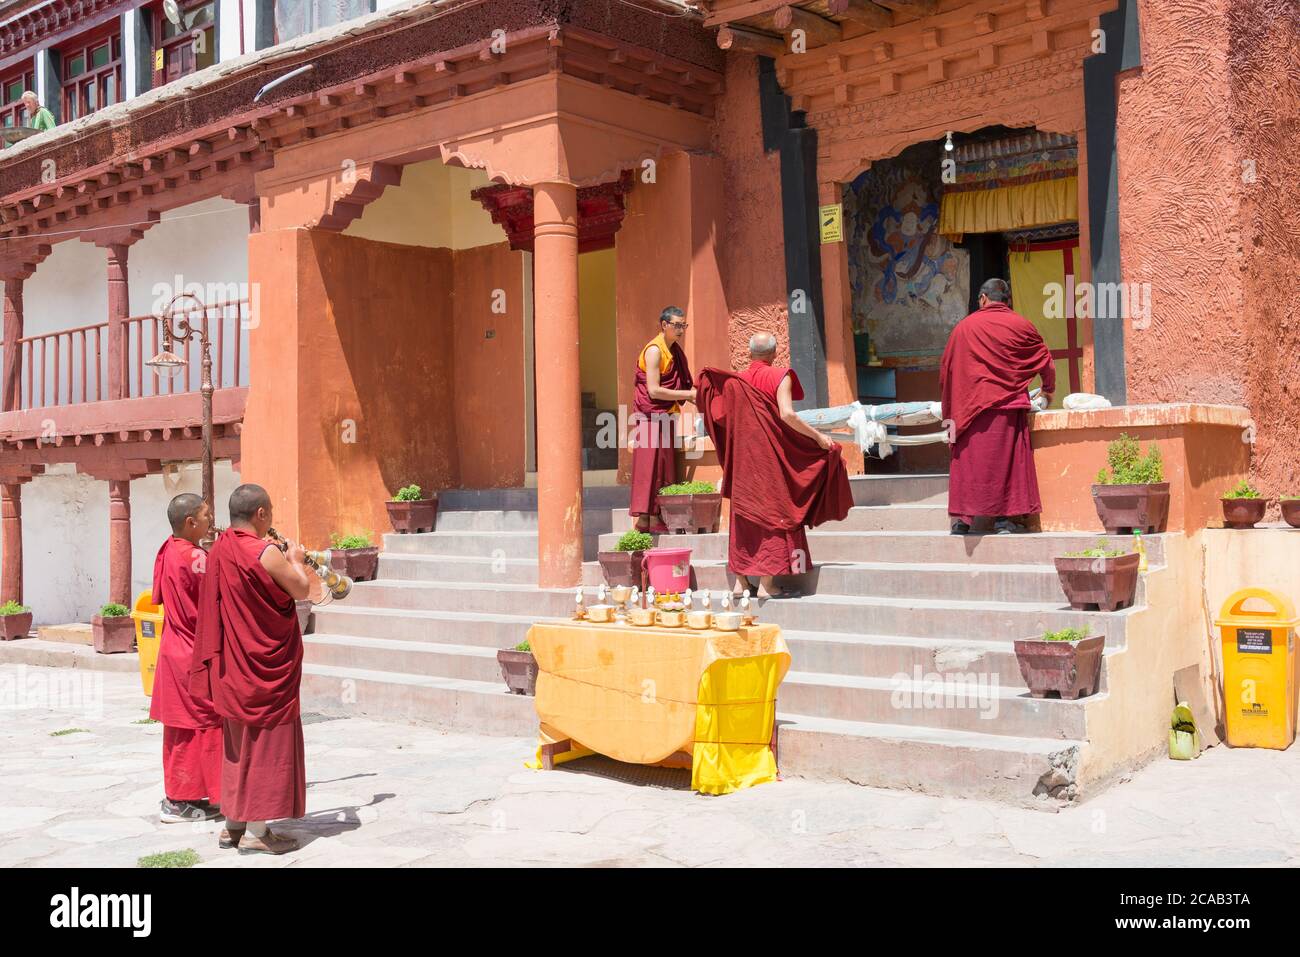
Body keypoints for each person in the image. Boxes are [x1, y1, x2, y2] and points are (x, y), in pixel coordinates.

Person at [189, 484, 313, 855]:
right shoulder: (263, 553)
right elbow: (302, 589)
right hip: (265, 670)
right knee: (264, 744)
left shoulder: (221, 549)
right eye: (270, 511)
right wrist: (296, 559)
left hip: (233, 666)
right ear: (260, 514)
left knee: (237, 744)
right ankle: (259, 830)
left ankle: (233, 825)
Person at [697, 334, 853, 600]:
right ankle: (768, 586)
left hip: (743, 459)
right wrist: (817, 437)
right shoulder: (781, 376)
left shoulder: (736, 382)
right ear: (774, 354)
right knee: (774, 510)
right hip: (769, 458)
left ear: (749, 354)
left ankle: (741, 584)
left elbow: (720, 416)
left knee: (743, 514)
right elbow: (787, 414)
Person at [940, 277, 1055, 535]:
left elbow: (946, 372)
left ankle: (962, 521)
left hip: (969, 411)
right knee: (1007, 463)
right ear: (1007, 302)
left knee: (968, 464)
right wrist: (1048, 390)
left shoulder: (963, 329)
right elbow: (1045, 360)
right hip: (1006, 409)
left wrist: (953, 409)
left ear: (982, 299)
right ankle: (1005, 521)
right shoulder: (1021, 325)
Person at [151, 493, 223, 825]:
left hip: (172, 648)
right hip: (193, 652)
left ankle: (185, 796)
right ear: (190, 522)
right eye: (207, 516)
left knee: (182, 728)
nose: (212, 520)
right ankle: (181, 801)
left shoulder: (167, 549)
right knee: (205, 723)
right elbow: (220, 601)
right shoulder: (197, 558)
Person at [629, 306, 696, 532]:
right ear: (664, 325)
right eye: (677, 325)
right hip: (650, 417)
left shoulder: (674, 351)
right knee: (649, 467)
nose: (681, 330)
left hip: (666, 415)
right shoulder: (655, 350)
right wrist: (688, 395)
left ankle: (657, 518)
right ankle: (643, 519)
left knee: (664, 466)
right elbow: (655, 391)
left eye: (683, 325)